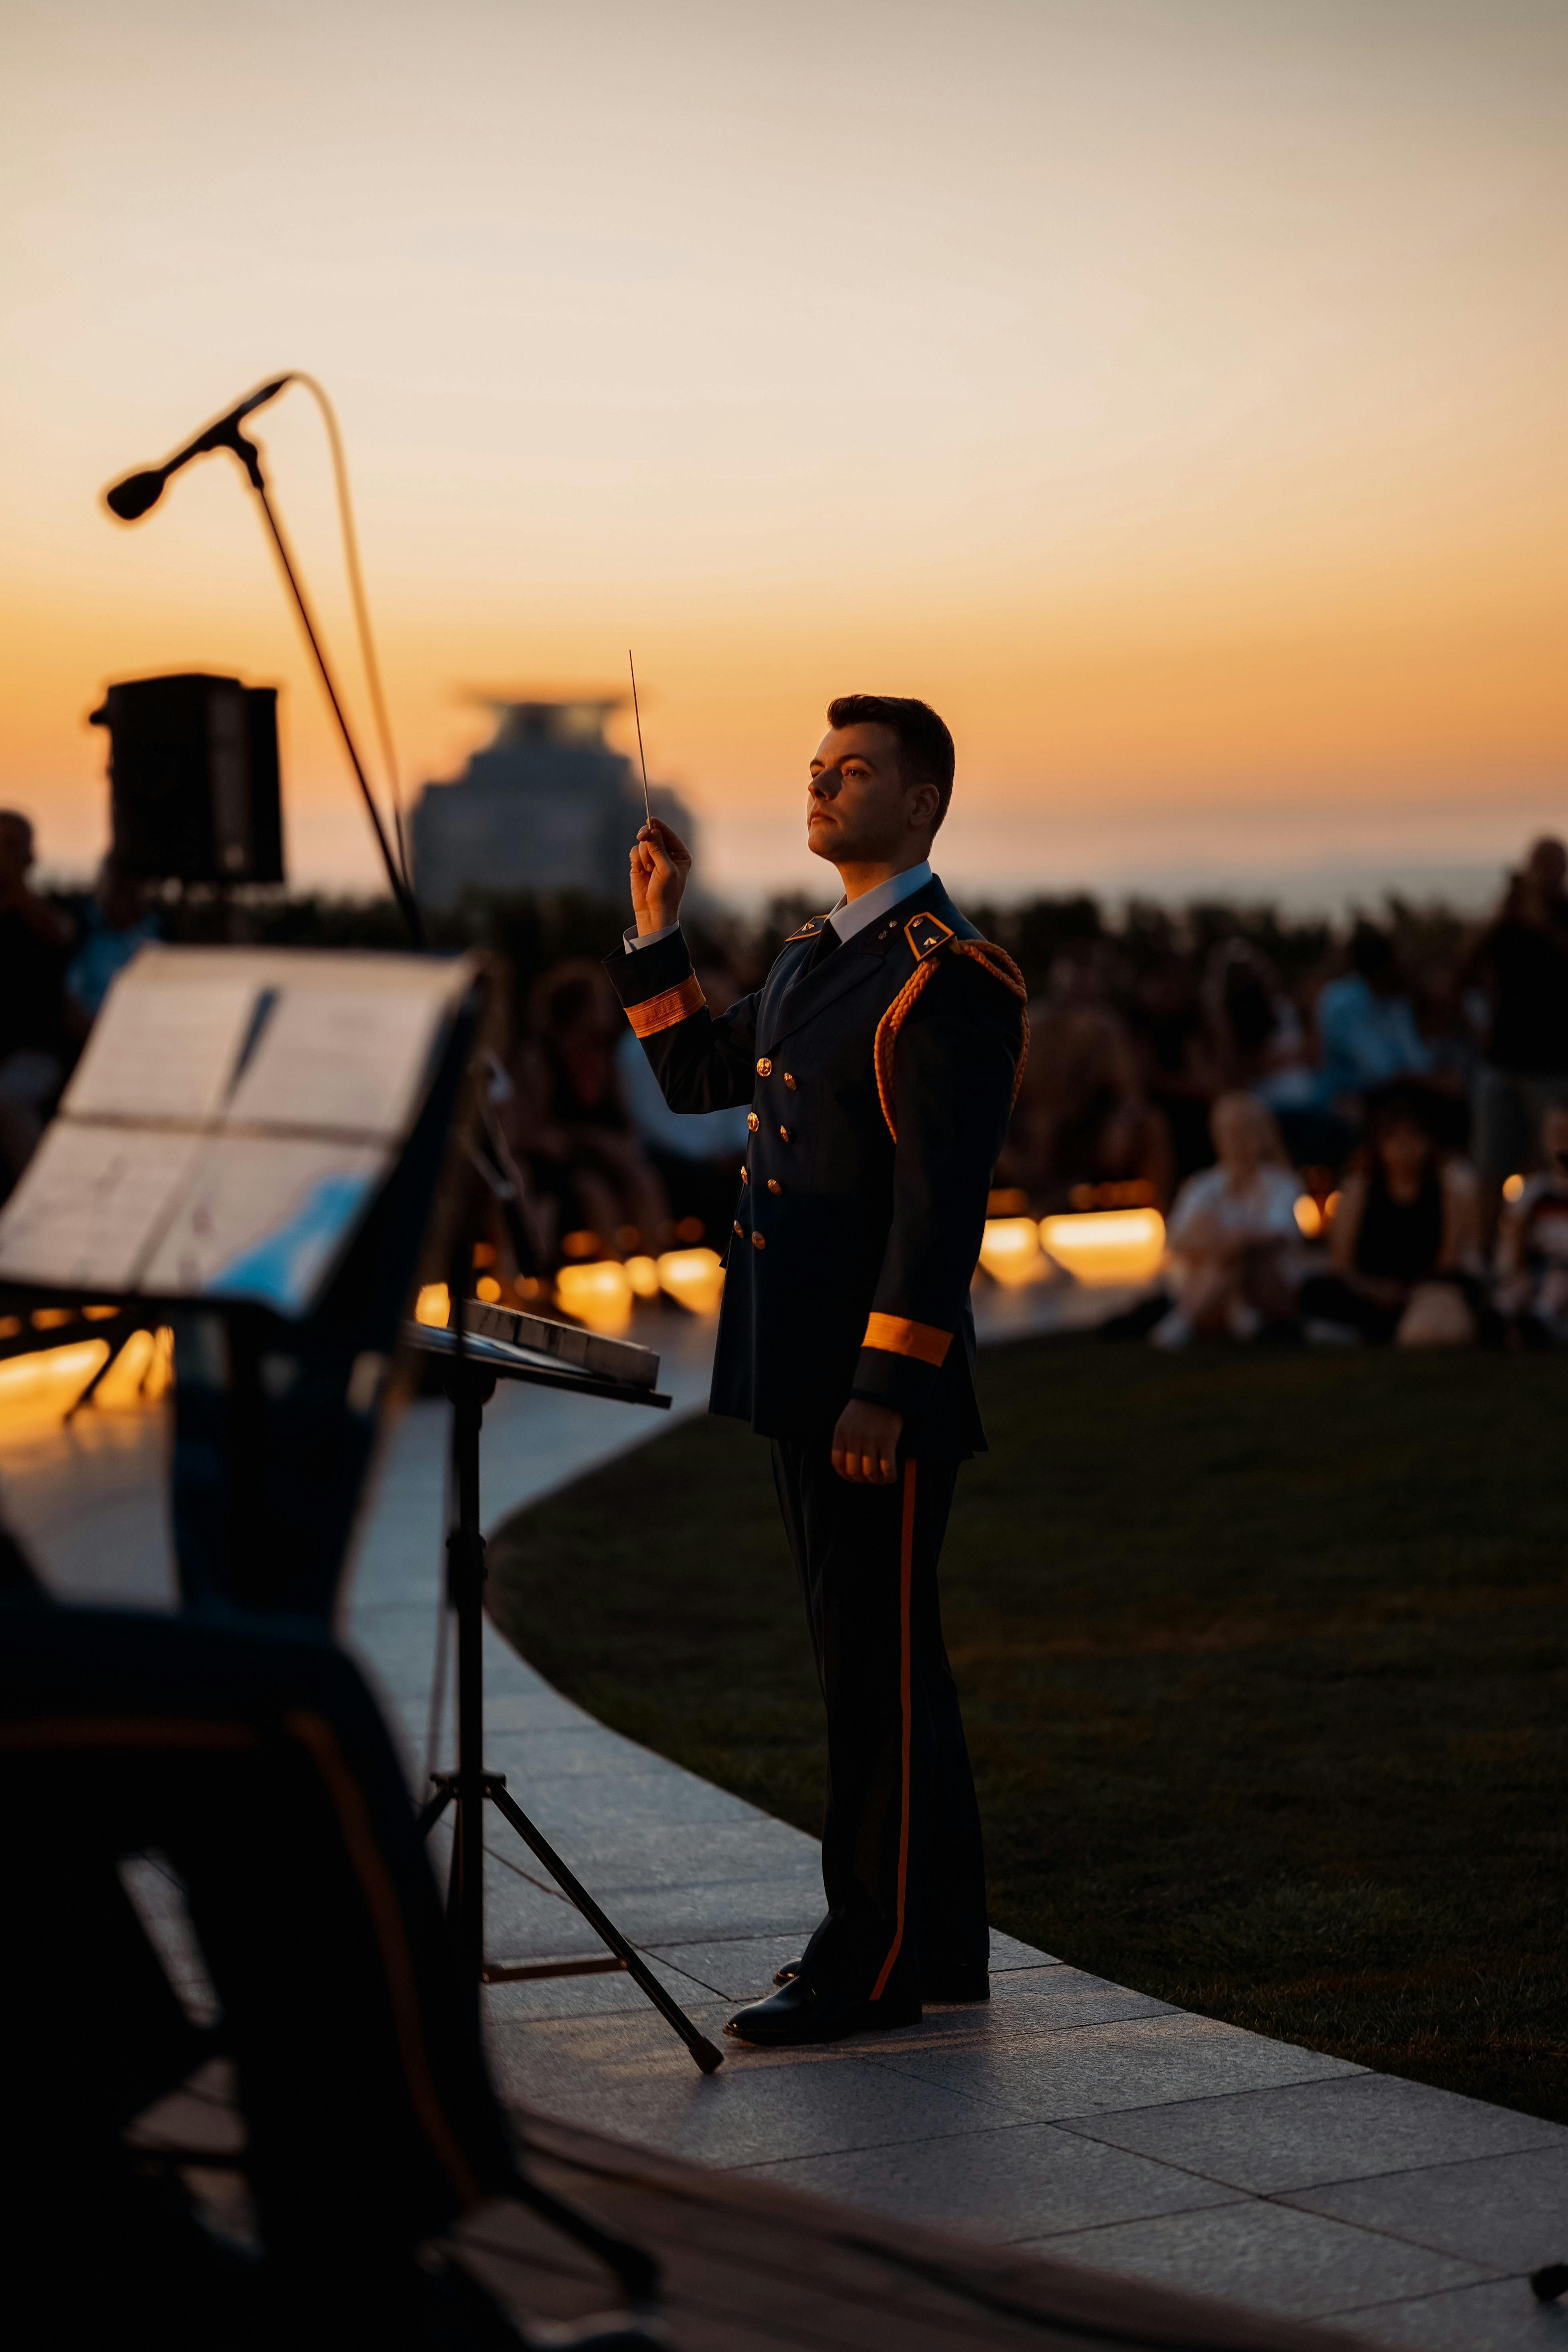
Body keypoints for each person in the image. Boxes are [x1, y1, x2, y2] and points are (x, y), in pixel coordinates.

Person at [607, 694, 1026, 2049]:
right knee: (884, 1662)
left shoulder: (945, 974)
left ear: (921, 802)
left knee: (871, 1677)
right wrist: (656, 926)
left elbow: (937, 1210)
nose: (824, 787)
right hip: (799, 1367)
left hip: (867, 1388)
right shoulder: (812, 957)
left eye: (853, 771)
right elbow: (693, 1074)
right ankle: (936, 1942)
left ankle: (868, 1961)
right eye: (816, 768)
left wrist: (884, 1387)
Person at [1298, 1087, 1482, 1346]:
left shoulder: (1445, 1191)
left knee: (1461, 1289)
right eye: (1395, 1140)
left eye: (1414, 1139)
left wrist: (1410, 1291)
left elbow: (1449, 1259)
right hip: (1368, 1291)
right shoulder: (1359, 1190)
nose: (1405, 1150)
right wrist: (1373, 1289)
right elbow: (1342, 1262)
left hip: (1425, 1288)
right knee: (1318, 1290)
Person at [1468, 838, 1568, 1236]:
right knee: (1490, 1164)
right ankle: (1485, 1249)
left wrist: (1540, 922)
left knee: (1555, 1163)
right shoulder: (1507, 920)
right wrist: (1504, 912)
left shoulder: (1561, 915)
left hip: (1553, 1064)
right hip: (1503, 1060)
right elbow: (1468, 963)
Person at [1150, 1094, 1303, 1349]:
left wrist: (1233, 1240)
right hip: (1208, 1280)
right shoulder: (1203, 1186)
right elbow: (1177, 1240)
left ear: (1261, 1135)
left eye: (1243, 1132)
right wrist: (1223, 1242)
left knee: (1241, 1252)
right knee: (1222, 1247)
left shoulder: (1282, 1184)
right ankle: (1234, 1309)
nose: (1235, 1142)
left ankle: (1185, 1319)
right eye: (1228, 1133)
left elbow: (1280, 1234)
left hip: (1268, 1287)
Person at [0, 809, 73, 1192]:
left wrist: (19, 892)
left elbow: (60, 936)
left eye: (12, 847)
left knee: (8, 1101)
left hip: (35, 1054)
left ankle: (41, 1196)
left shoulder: (52, 912)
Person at [1494, 1100, 1568, 1345]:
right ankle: (1501, 1316)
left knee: (1558, 1281)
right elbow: (1511, 1250)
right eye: (1557, 1134)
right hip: (1537, 1270)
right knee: (1521, 1286)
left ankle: (1541, 1320)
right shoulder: (1532, 1192)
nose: (1563, 1143)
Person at [64, 851, 161, 1028]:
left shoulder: (157, 932)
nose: (122, 894)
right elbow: (72, 1003)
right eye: (115, 885)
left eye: (129, 884)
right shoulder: (83, 930)